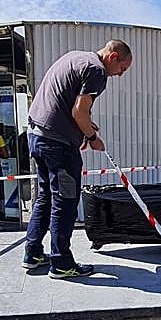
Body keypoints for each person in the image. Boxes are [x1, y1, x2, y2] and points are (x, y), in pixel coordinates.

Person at [24, 40, 133, 278]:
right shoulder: (97, 70)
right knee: (65, 202)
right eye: (122, 69)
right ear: (113, 57)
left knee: (46, 197)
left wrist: (83, 127)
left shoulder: (76, 57)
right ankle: (61, 263)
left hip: (37, 137)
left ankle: (32, 253)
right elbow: (78, 111)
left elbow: (70, 105)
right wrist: (92, 137)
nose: (120, 75)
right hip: (58, 146)